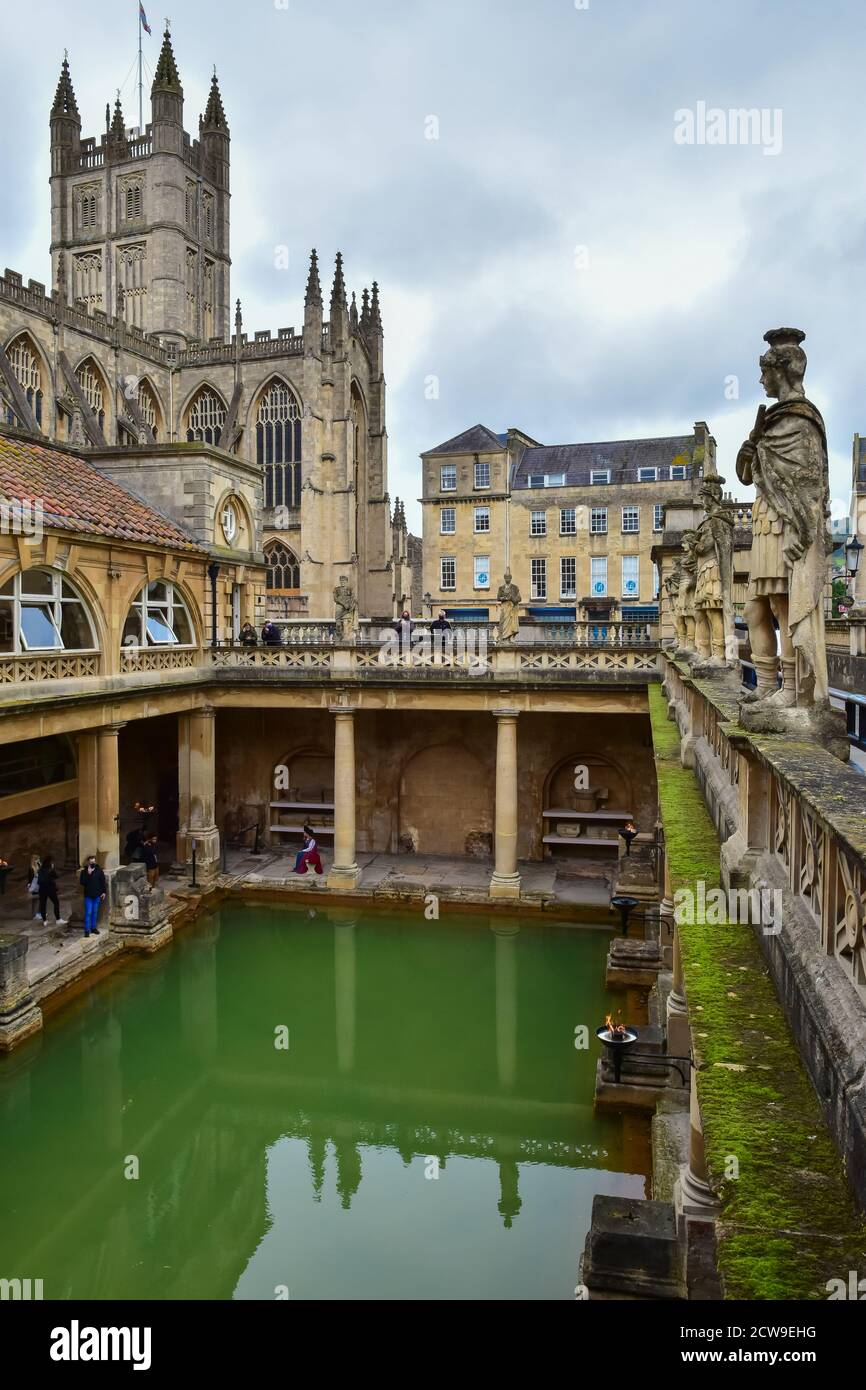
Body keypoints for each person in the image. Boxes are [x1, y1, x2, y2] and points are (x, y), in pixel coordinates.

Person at [79, 854, 106, 937]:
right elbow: (82, 882)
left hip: (97, 895)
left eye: (94, 861)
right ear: (88, 862)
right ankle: (87, 930)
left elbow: (102, 881)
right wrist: (88, 874)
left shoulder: (99, 870)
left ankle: (93, 928)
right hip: (88, 896)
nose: (93, 863)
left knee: (95, 912)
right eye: (91, 862)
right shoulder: (84, 871)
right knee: (88, 912)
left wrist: (104, 892)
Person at [35, 854, 66, 926]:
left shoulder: (40, 870)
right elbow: (56, 876)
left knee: (43, 904)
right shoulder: (50, 870)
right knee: (56, 903)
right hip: (50, 889)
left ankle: (45, 921)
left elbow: (39, 880)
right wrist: (52, 869)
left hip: (42, 889)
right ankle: (58, 919)